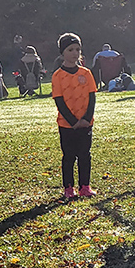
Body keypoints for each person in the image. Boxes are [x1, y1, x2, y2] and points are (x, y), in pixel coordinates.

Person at [52, 33, 98, 200]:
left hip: (85, 123)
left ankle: (85, 186)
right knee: (69, 156)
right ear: (62, 52)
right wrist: (73, 122)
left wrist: (86, 119)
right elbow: (59, 101)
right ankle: (68, 188)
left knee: (85, 154)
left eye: (77, 49)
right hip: (67, 125)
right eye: (70, 49)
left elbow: (92, 98)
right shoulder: (57, 76)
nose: (74, 53)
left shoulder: (86, 73)